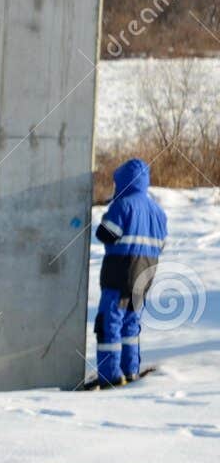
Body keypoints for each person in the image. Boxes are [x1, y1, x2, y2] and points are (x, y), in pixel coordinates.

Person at [93, 157, 168, 387]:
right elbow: (161, 244)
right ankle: (130, 371)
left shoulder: (123, 205)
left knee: (110, 322)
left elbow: (106, 234)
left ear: (124, 181)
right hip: (145, 273)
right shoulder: (158, 212)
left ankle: (111, 375)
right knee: (131, 323)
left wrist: (107, 215)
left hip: (121, 272)